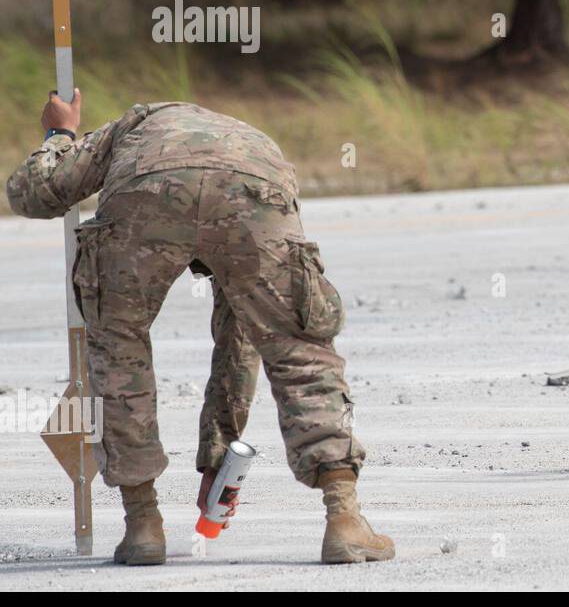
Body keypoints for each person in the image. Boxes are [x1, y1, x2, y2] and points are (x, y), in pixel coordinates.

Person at [6, 92, 395, 563]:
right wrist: (219, 452)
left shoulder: (130, 129)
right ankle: (344, 518)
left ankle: (143, 526)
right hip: (253, 189)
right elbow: (243, 339)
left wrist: (59, 134)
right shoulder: (251, 143)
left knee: (119, 350)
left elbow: (35, 192)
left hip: (145, 187)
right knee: (298, 348)